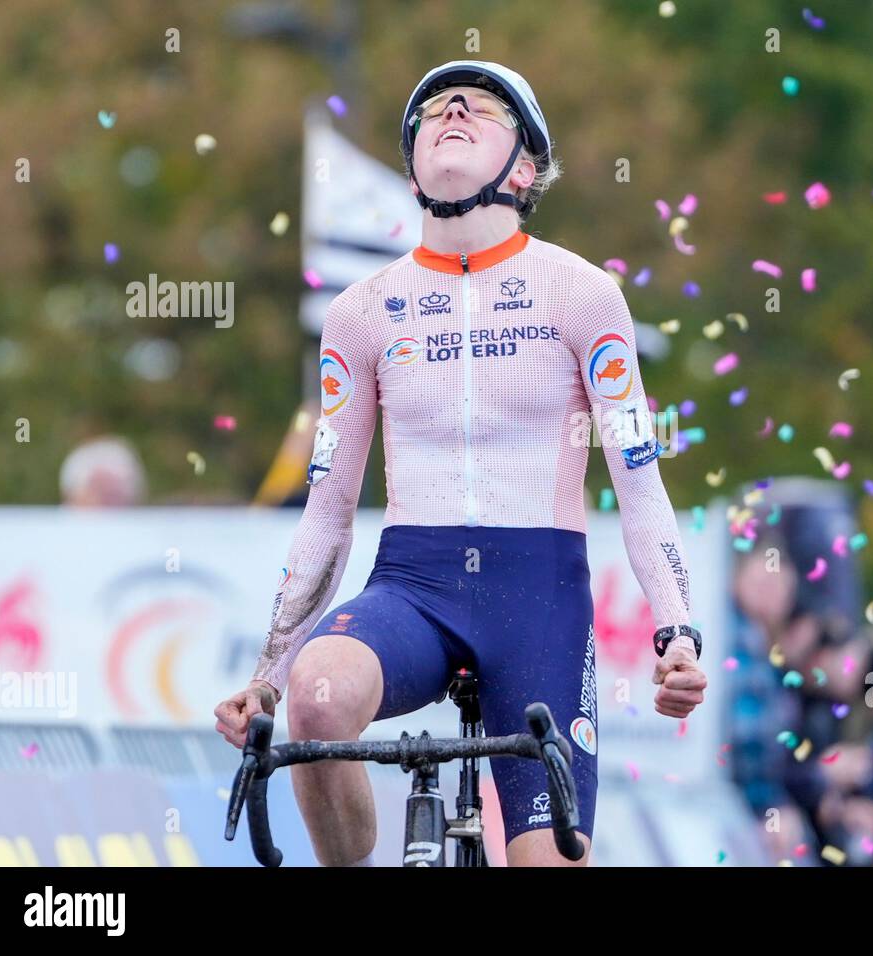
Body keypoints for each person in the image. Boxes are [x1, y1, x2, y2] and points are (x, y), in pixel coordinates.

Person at [214, 61, 707, 867]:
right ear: (410, 169)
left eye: (481, 107)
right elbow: (330, 513)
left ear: (523, 166)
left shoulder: (581, 293)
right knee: (319, 694)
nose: (452, 111)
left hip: (539, 599)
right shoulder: (360, 312)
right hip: (414, 587)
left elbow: (640, 486)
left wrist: (677, 636)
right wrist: (268, 675)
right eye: (435, 109)